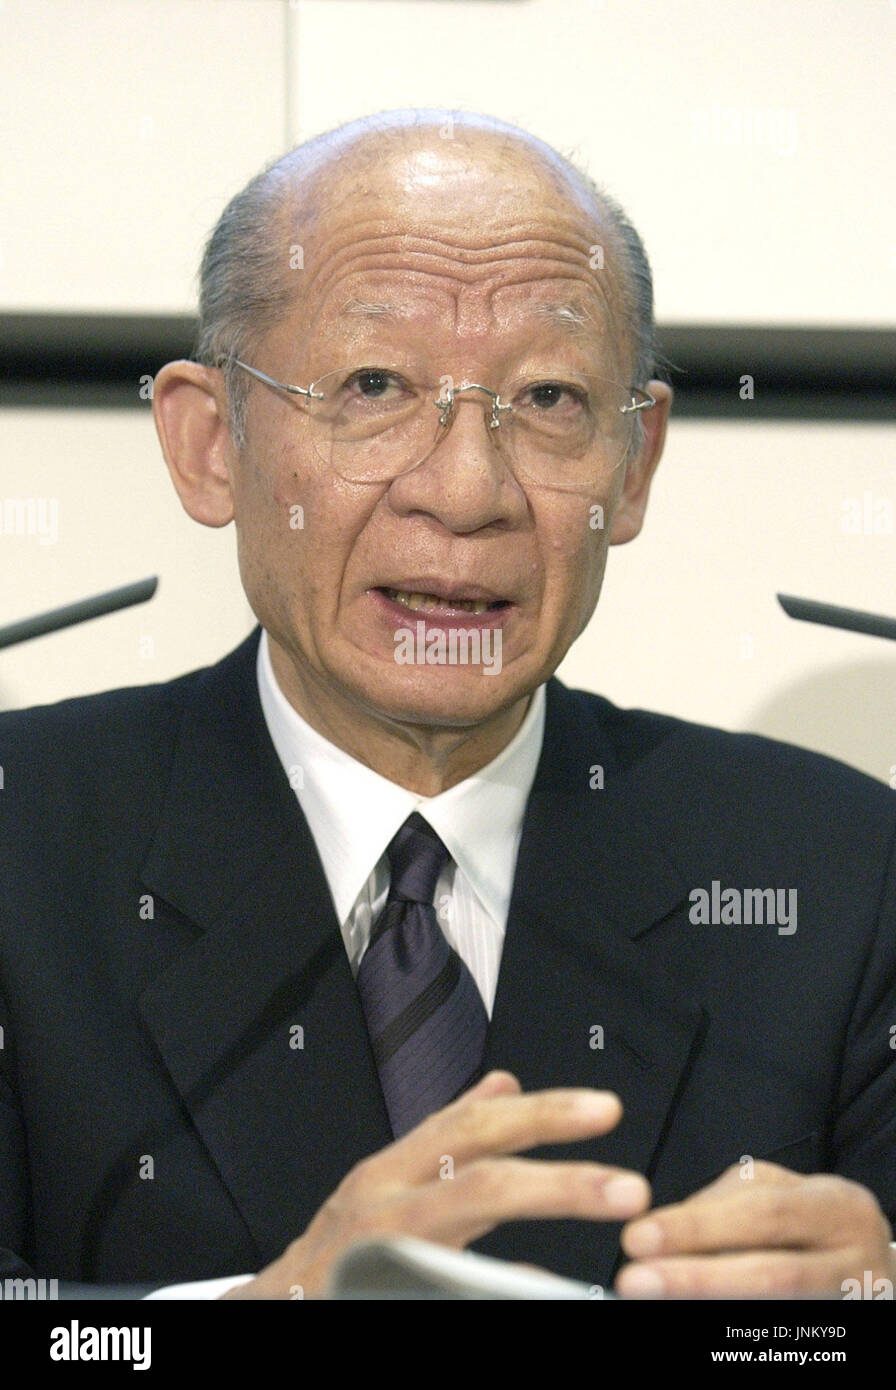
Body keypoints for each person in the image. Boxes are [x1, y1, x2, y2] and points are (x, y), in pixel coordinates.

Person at [1, 109, 894, 1301]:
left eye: (548, 402)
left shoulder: (836, 874)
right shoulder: (26, 840)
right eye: (373, 386)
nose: (467, 490)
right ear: (210, 443)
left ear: (633, 466)